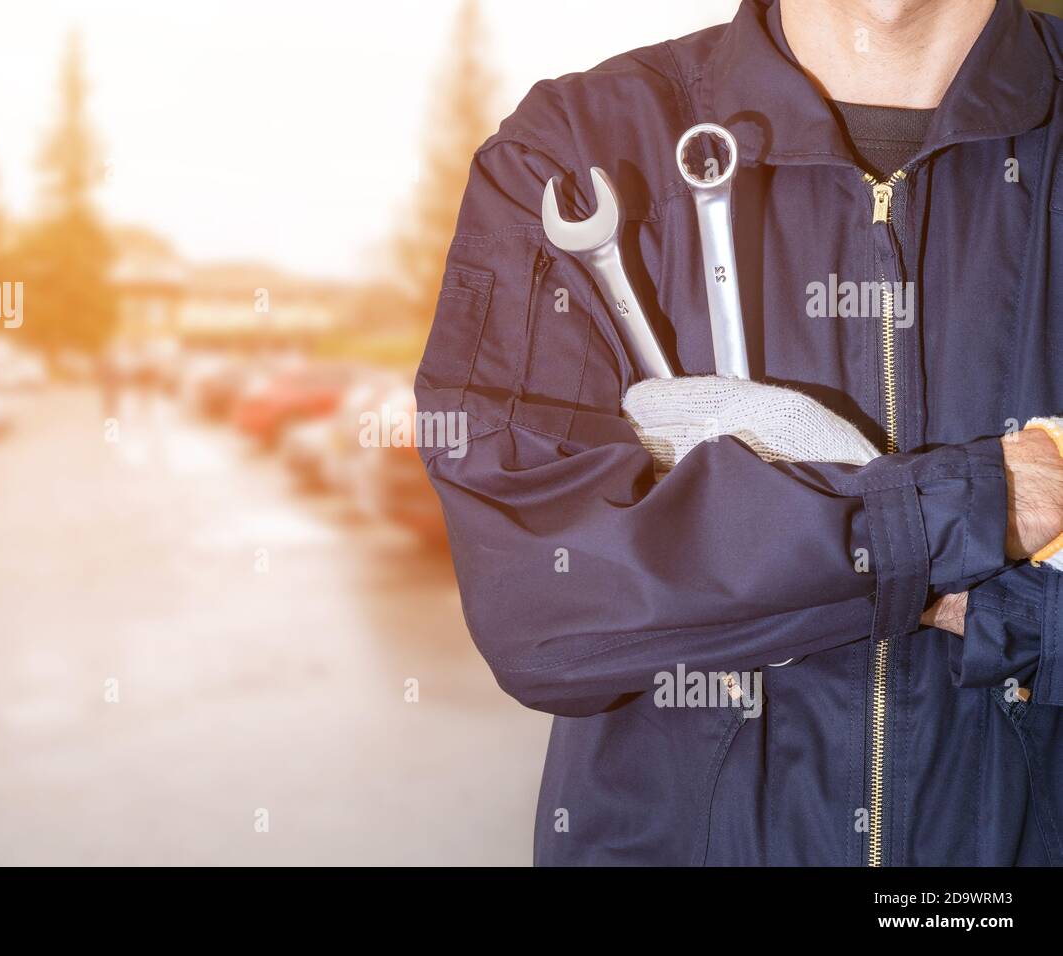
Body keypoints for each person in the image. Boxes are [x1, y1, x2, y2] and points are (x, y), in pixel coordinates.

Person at [416, 0, 1063, 865]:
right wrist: (982, 510)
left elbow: (631, 580)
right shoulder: (575, 144)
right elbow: (545, 610)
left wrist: (895, 575)